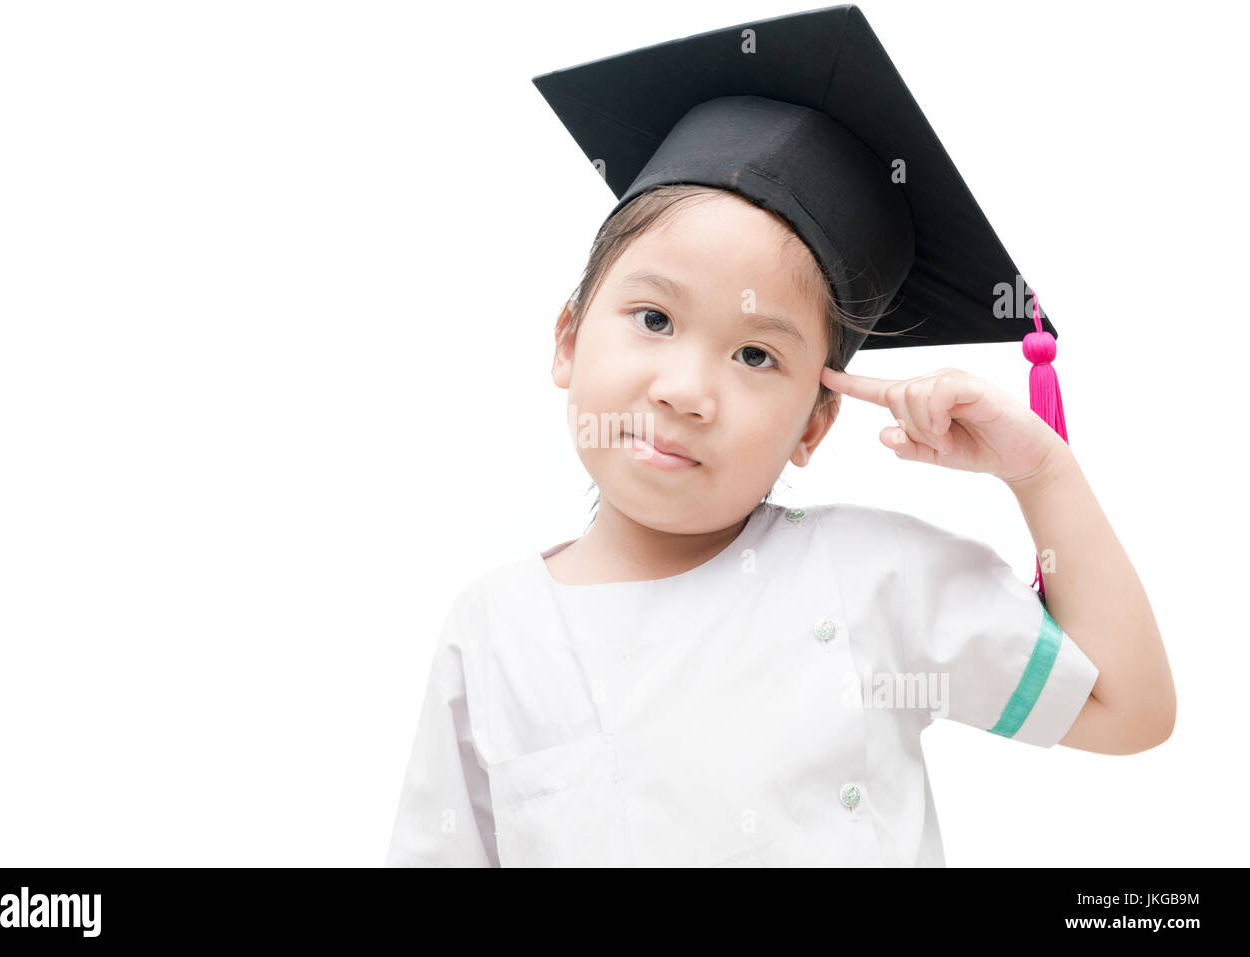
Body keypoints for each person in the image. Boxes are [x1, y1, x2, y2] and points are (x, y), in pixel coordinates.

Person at [384, 4, 1176, 867]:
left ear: (815, 422)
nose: (687, 390)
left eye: (756, 354)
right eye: (653, 316)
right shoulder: (495, 628)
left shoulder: (874, 580)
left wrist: (1042, 473)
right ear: (569, 339)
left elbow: (1128, 708)